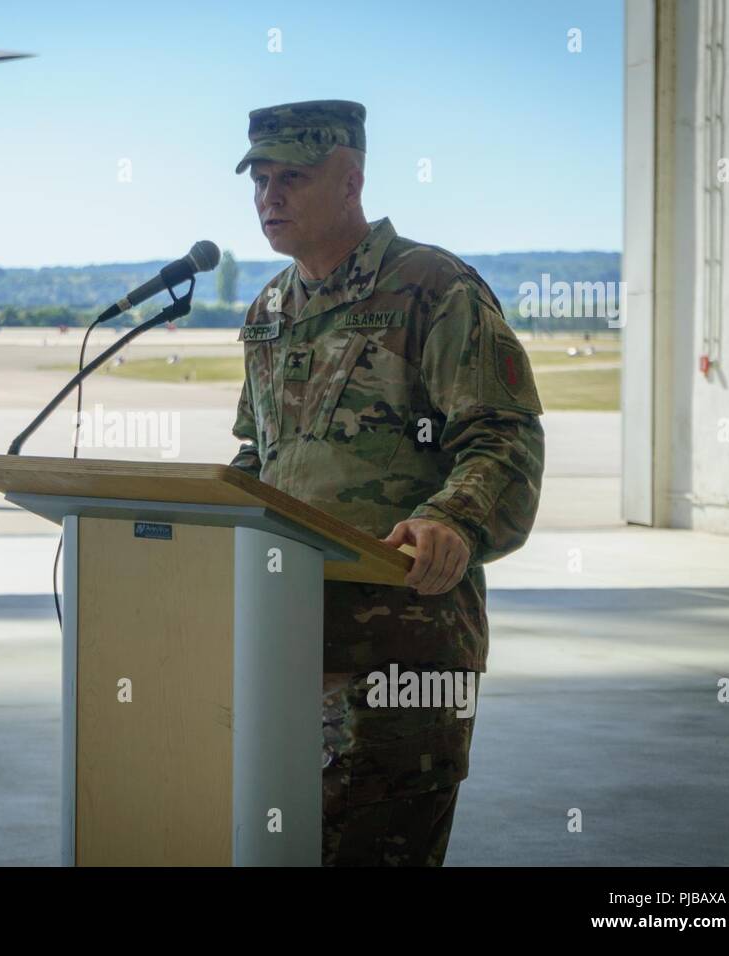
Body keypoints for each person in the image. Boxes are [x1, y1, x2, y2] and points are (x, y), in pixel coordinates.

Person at [229, 100, 545, 866]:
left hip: (404, 651)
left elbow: (504, 435)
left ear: (350, 181)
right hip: (282, 636)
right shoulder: (269, 309)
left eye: (292, 178)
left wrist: (454, 522)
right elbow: (256, 459)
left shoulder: (432, 287)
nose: (270, 197)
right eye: (261, 178)